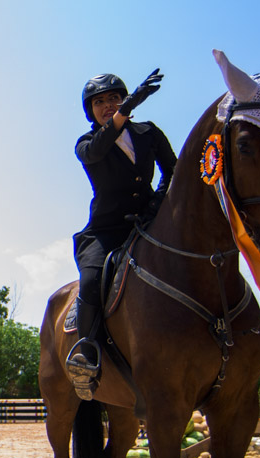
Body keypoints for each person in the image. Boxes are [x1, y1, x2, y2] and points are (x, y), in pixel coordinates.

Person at [67, 69, 177, 400]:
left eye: (114, 98)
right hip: (105, 232)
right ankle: (87, 355)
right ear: (91, 111)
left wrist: (156, 204)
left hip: (150, 224)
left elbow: (173, 170)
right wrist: (124, 110)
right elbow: (98, 151)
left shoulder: (148, 133)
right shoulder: (86, 144)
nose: (108, 105)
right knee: (90, 280)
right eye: (99, 102)